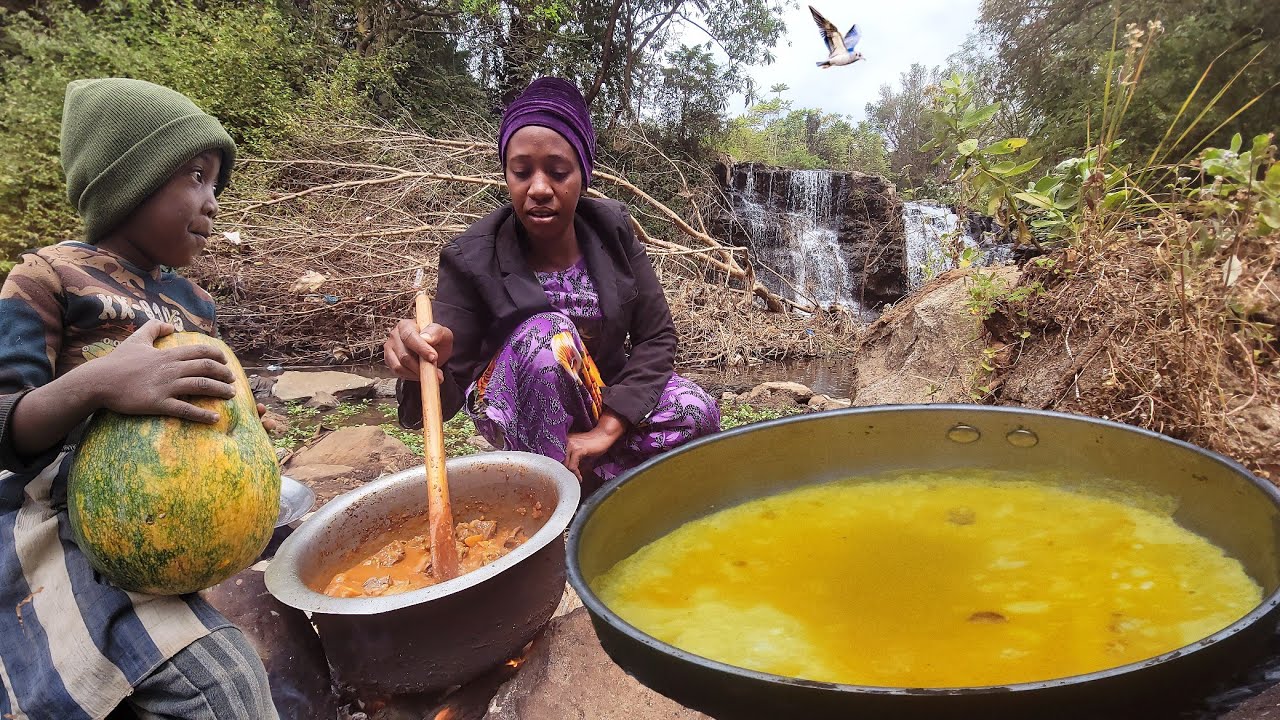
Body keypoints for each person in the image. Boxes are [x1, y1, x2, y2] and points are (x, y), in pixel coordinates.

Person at [0, 78, 277, 719]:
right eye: (196, 176)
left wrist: (246, 426)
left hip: (173, 539)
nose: (212, 203)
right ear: (129, 181)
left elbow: (210, 403)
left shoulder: (194, 305)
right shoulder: (48, 276)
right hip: (65, 534)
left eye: (217, 185)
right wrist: (100, 382)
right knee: (223, 688)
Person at [384, 77, 720, 486]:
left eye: (559, 172)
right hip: (521, 408)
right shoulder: (471, 256)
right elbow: (437, 403)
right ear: (506, 175)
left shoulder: (612, 229)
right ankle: (550, 488)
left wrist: (608, 428)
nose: (539, 188)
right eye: (521, 172)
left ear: (585, 173)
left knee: (695, 409)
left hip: (600, 394)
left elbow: (657, 337)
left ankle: (598, 483)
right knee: (549, 332)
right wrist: (420, 365)